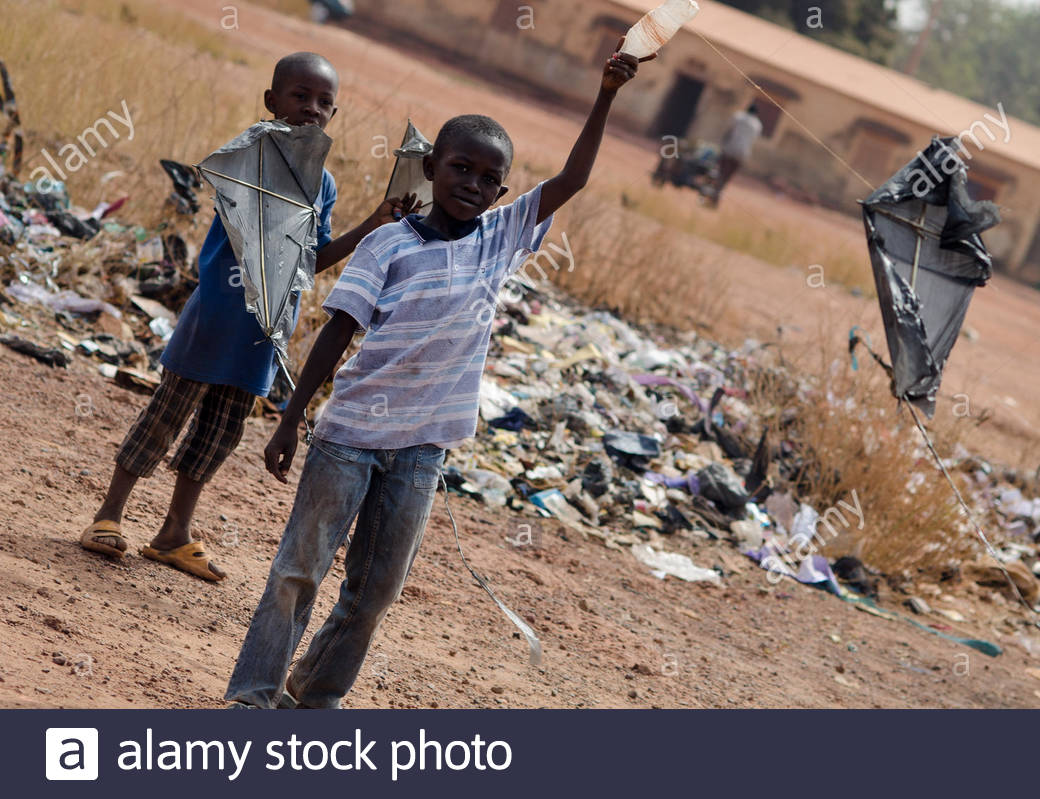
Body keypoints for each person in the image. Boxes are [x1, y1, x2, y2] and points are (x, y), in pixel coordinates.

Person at [225, 47, 644, 709]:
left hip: (422, 452)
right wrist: (289, 415)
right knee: (297, 574)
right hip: (350, 436)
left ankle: (313, 696)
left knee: (376, 593)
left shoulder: (499, 238)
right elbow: (337, 330)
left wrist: (606, 95)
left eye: (489, 177)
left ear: (503, 193)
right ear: (430, 168)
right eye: (461, 168)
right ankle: (251, 695)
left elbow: (573, 178)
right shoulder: (387, 242)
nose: (473, 184)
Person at [78, 52, 418, 582]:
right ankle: (109, 515)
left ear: (334, 115)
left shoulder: (323, 185)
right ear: (271, 102)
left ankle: (172, 534)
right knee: (164, 418)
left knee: (218, 433)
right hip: (216, 315)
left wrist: (375, 222)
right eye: (300, 96)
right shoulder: (250, 155)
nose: (312, 109)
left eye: (325, 103)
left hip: (265, 332)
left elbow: (311, 261)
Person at [711, 100, 763, 205]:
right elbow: (753, 140)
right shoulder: (757, 125)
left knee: (721, 172)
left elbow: (729, 131)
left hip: (730, 148)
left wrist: (722, 144)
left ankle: (715, 192)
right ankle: (718, 193)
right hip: (742, 153)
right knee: (728, 176)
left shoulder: (738, 116)